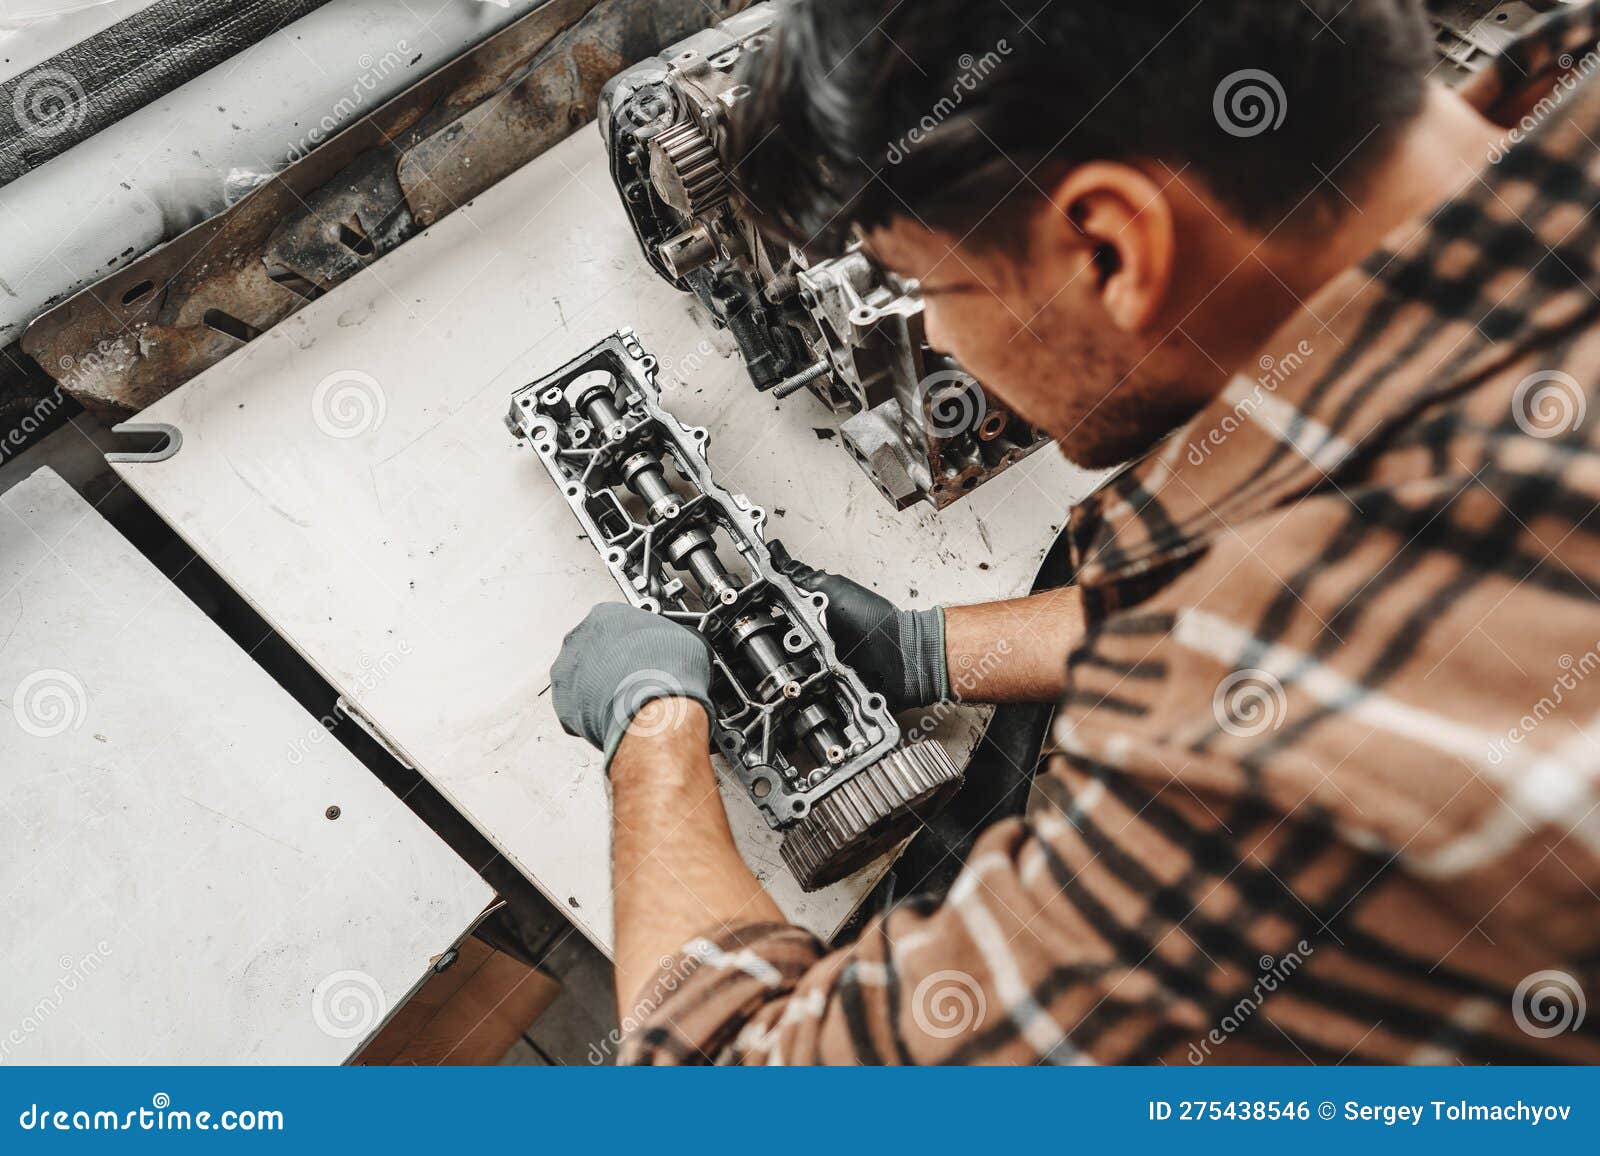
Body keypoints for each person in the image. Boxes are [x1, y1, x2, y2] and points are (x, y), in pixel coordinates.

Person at [549, 0, 1600, 1063]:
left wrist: (653, 734)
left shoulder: (1239, 790)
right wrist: (939, 648)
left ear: (1110, 244)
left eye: (922, 289)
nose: (943, 338)